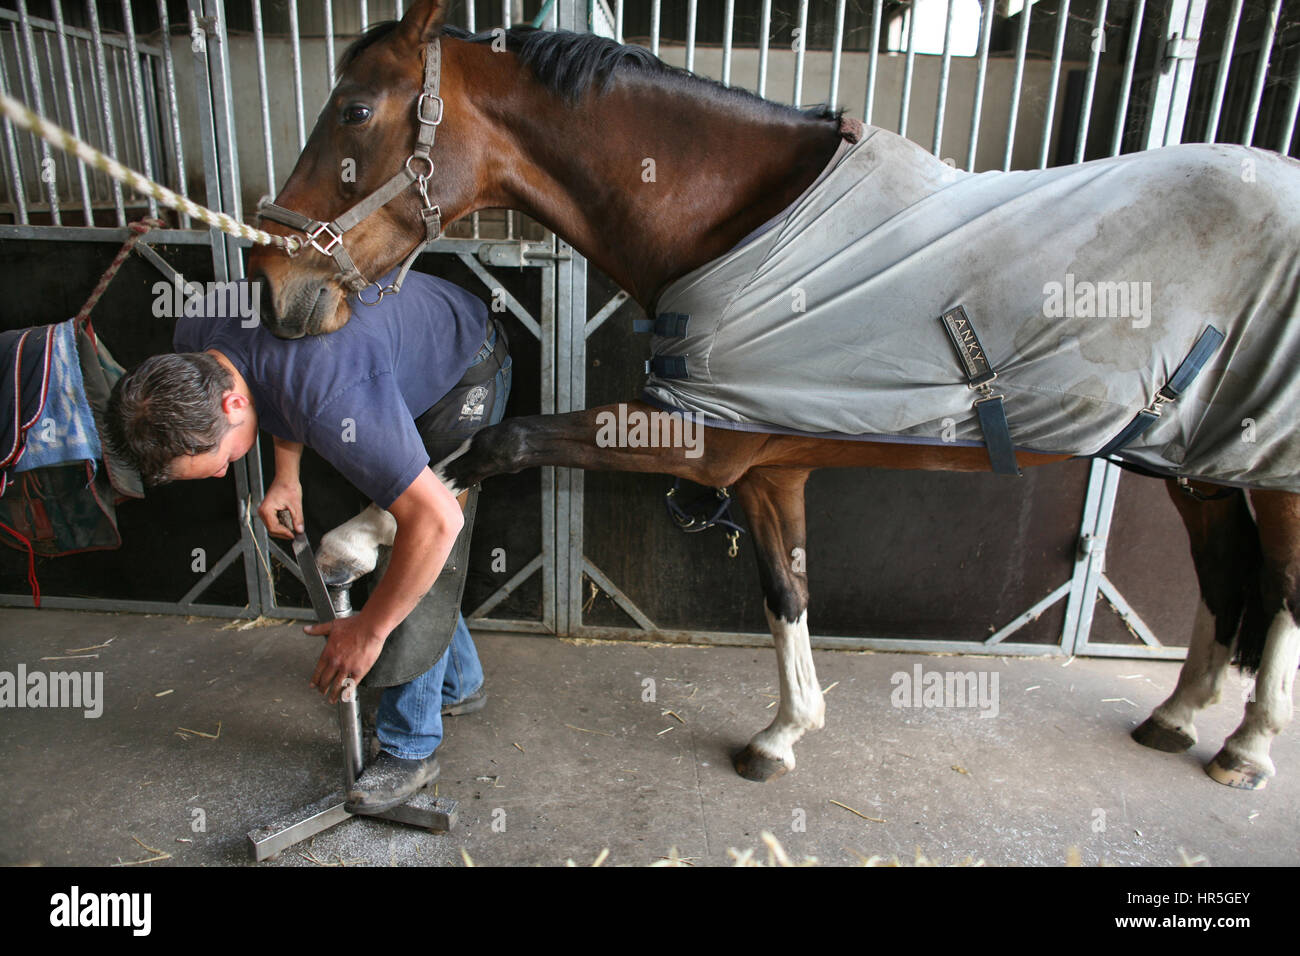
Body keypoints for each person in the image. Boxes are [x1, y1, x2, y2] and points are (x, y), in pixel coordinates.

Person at [105, 269, 511, 814]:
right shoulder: (198, 336)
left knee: (410, 538)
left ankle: (409, 748)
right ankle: (459, 682)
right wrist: (286, 474)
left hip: (463, 364)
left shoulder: (331, 395)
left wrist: (368, 632)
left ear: (227, 407)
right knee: (407, 542)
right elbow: (271, 378)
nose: (227, 473)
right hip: (381, 356)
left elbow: (436, 523)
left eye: (222, 460)